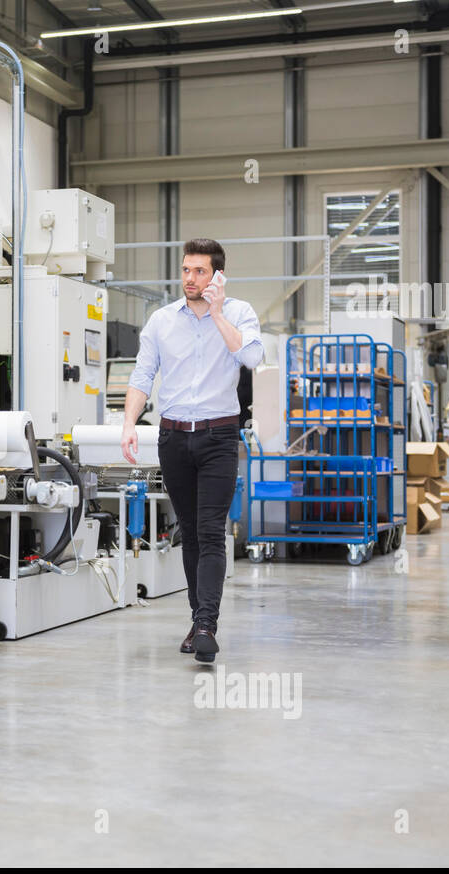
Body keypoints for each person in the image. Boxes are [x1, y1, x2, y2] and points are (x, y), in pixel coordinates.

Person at [121, 238, 263, 663]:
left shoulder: (239, 313)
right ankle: (197, 619)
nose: (190, 278)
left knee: (211, 530)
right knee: (190, 532)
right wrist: (128, 424)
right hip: (174, 438)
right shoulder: (162, 320)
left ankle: (206, 626)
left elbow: (252, 357)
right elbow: (142, 375)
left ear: (217, 275)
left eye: (200, 271)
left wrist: (217, 313)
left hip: (219, 437)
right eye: (186, 270)